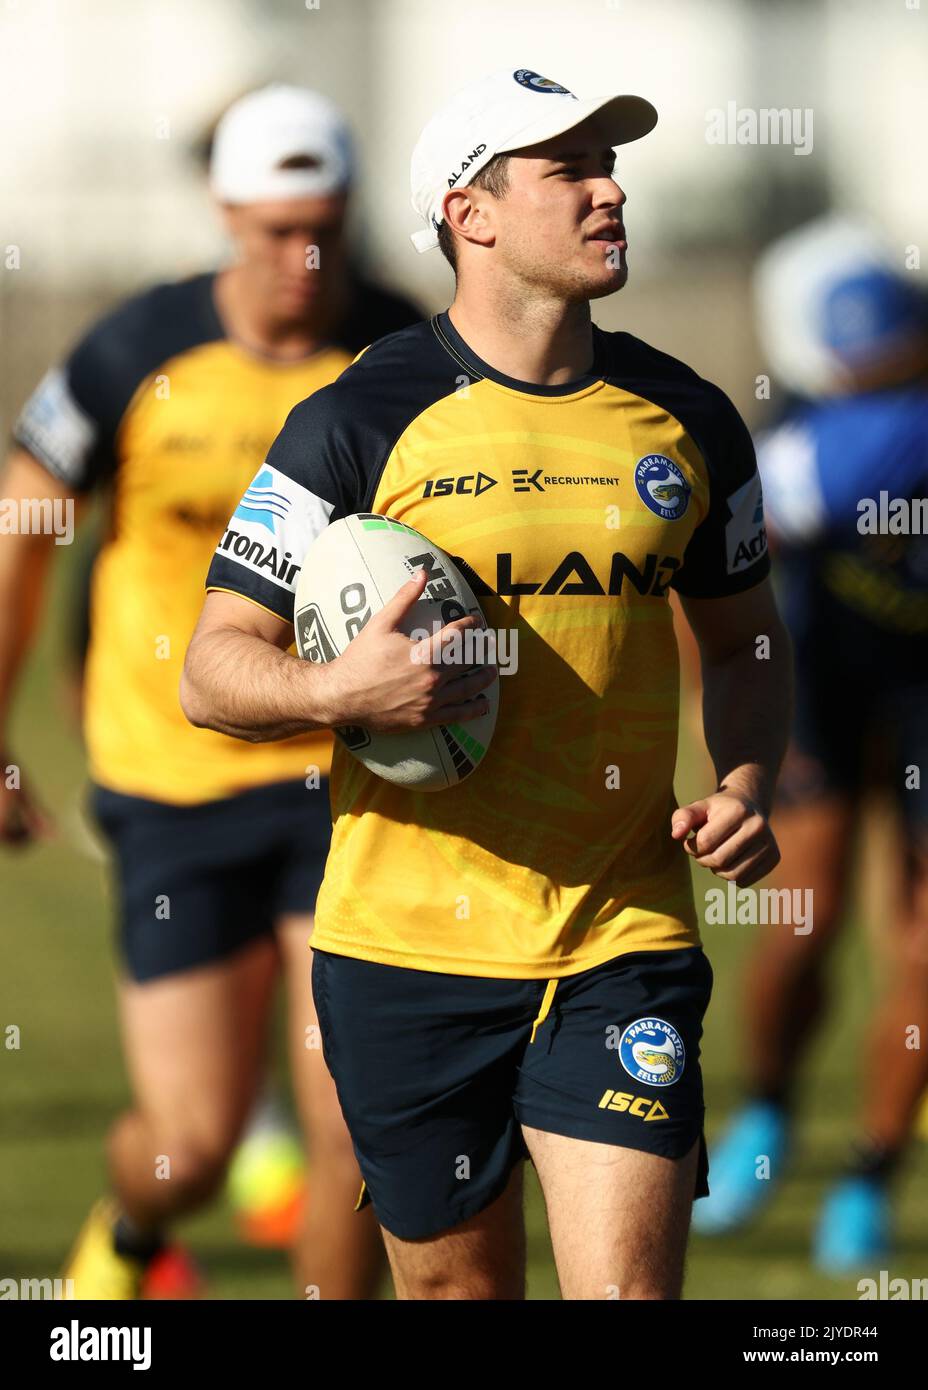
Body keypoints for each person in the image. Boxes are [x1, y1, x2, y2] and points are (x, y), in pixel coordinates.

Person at [181, 67, 791, 1300]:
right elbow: (211, 668)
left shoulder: (690, 419)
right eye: (568, 169)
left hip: (621, 933)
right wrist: (339, 692)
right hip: (404, 950)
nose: (609, 189)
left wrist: (743, 776)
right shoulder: (353, 421)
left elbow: (744, 646)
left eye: (608, 164)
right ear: (474, 213)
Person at [0, 83, 421, 1299]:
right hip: (171, 778)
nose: (301, 256)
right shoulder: (137, 352)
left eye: (326, 228)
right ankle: (134, 1233)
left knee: (352, 1130)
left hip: (346, 781)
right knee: (191, 1145)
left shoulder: (401, 354)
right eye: (273, 228)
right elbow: (24, 523)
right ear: (225, 213)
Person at [691, 216, 928, 1272]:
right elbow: (714, 542)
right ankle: (770, 1112)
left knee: (923, 953)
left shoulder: (868, 420)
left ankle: (872, 1171)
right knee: (802, 918)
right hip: (830, 681)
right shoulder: (825, 424)